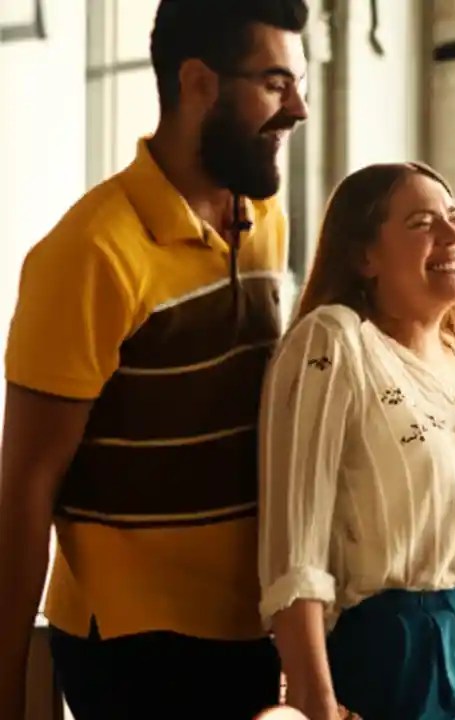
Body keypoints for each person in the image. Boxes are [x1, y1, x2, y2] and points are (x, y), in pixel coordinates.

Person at [0, 1, 309, 717]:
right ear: (199, 82)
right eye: (274, 83)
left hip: (251, 620)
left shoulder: (266, 219)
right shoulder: (89, 253)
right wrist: (7, 695)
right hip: (135, 645)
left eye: (299, 83)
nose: (297, 108)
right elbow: (25, 488)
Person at [259, 162, 455, 720]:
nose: (453, 234)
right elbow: (294, 549)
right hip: (413, 650)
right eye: (422, 223)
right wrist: (314, 699)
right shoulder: (334, 341)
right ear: (365, 256)